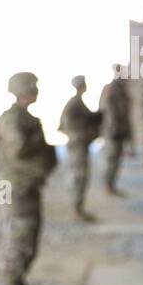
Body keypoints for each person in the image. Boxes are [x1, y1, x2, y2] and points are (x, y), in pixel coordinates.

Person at [0, 72, 58, 285]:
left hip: (24, 187)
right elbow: (18, 148)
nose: (37, 90)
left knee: (25, 239)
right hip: (16, 188)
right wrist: (40, 141)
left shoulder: (22, 118)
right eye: (34, 86)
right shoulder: (14, 120)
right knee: (19, 239)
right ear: (24, 89)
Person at [57, 75, 104, 222]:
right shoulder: (74, 104)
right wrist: (79, 133)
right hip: (77, 145)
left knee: (80, 176)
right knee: (79, 176)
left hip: (79, 144)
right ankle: (76, 210)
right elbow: (65, 124)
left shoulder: (77, 103)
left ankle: (78, 209)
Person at [99, 66, 132, 196]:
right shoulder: (111, 89)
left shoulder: (121, 89)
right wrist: (112, 129)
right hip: (113, 131)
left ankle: (111, 185)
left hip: (119, 129)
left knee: (115, 159)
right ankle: (108, 186)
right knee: (111, 158)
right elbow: (108, 111)